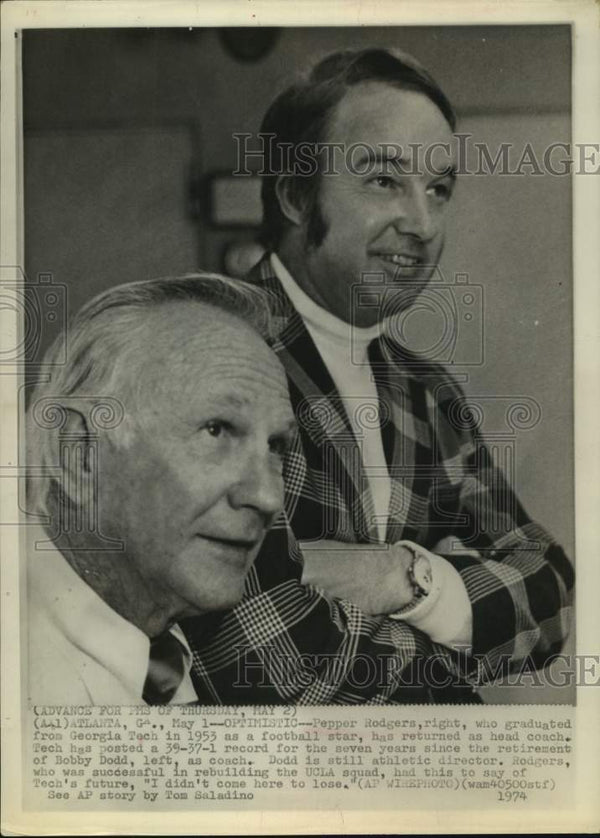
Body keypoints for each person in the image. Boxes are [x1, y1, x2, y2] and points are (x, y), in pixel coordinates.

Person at [182, 48, 574, 703]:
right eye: (385, 180)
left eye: (439, 189)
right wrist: (463, 633)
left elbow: (552, 593)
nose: (421, 224)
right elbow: (276, 668)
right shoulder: (201, 358)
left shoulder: (429, 392)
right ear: (296, 195)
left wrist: (405, 577)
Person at [25, 274, 296, 704]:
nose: (269, 498)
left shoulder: (154, 649)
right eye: (217, 429)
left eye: (276, 445)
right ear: (79, 453)